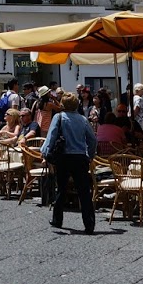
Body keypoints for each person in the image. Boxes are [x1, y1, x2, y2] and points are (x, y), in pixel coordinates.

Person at [43, 94, 97, 234]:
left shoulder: (59, 117)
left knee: (61, 188)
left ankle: (57, 219)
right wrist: (90, 155)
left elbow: (52, 136)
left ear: (62, 104)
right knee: (84, 191)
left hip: (63, 157)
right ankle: (89, 223)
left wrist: (45, 153)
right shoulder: (83, 119)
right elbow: (92, 140)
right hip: (80, 158)